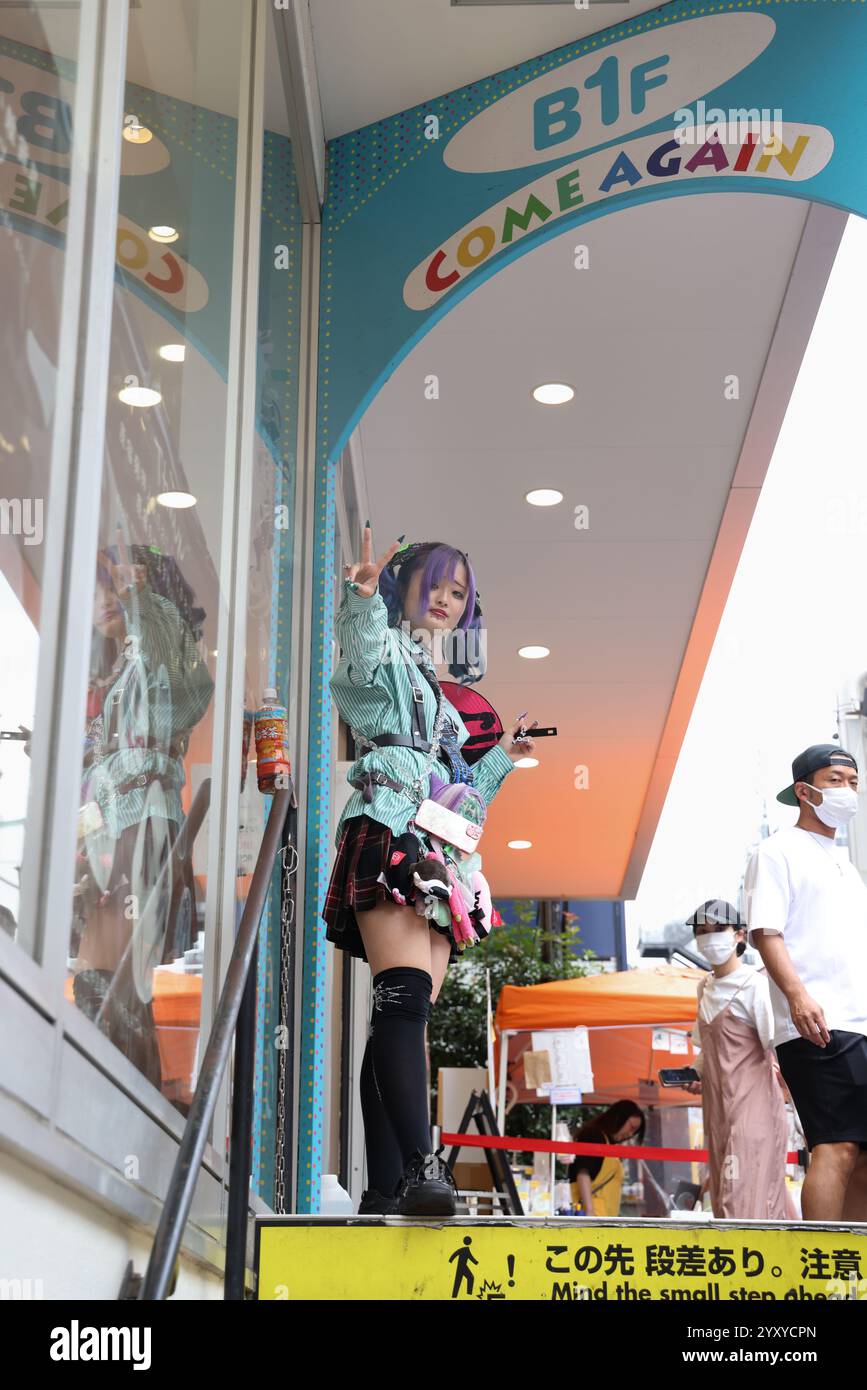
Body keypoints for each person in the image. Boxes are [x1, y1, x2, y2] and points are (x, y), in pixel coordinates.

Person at [324, 527, 537, 1217]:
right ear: (405, 584)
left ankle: (385, 1187)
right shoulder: (383, 644)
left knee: (405, 1016)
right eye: (436, 585)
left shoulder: (441, 696)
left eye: (458, 593)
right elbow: (354, 663)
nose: (445, 601)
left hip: (438, 853)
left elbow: (461, 788)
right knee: (402, 1000)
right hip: (389, 828)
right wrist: (360, 600)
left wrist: (503, 754)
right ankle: (421, 1167)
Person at [72, 549, 214, 1092]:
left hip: (142, 825)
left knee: (115, 979)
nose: (108, 599)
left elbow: (182, 685)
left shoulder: (156, 650)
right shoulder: (109, 670)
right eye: (101, 589)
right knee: (106, 980)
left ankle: (119, 1106)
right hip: (107, 830)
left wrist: (138, 599)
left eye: (119, 586)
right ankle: (127, 1104)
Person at [745, 743, 867, 1221]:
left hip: (858, 1021)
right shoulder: (776, 851)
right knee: (834, 1146)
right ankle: (821, 1278)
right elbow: (765, 931)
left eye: (853, 782)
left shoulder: (847, 865)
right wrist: (797, 997)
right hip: (816, 1022)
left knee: (862, 1156)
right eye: (835, 780)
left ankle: (853, 1275)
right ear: (804, 791)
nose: (848, 791)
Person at [684, 899, 789, 1219]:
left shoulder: (754, 985)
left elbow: (776, 1044)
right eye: (702, 931)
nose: (709, 937)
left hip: (753, 1107)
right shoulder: (704, 988)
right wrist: (693, 1072)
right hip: (717, 1110)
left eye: (718, 929)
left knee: (742, 1198)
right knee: (724, 1197)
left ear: (739, 935)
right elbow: (708, 1049)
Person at [568, 1100, 645, 1216]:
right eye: (631, 1127)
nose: (630, 1134)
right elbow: (583, 1172)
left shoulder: (608, 1144)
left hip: (603, 1215)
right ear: (619, 1118)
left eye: (634, 1132)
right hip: (591, 1215)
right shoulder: (594, 1136)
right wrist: (590, 1212)